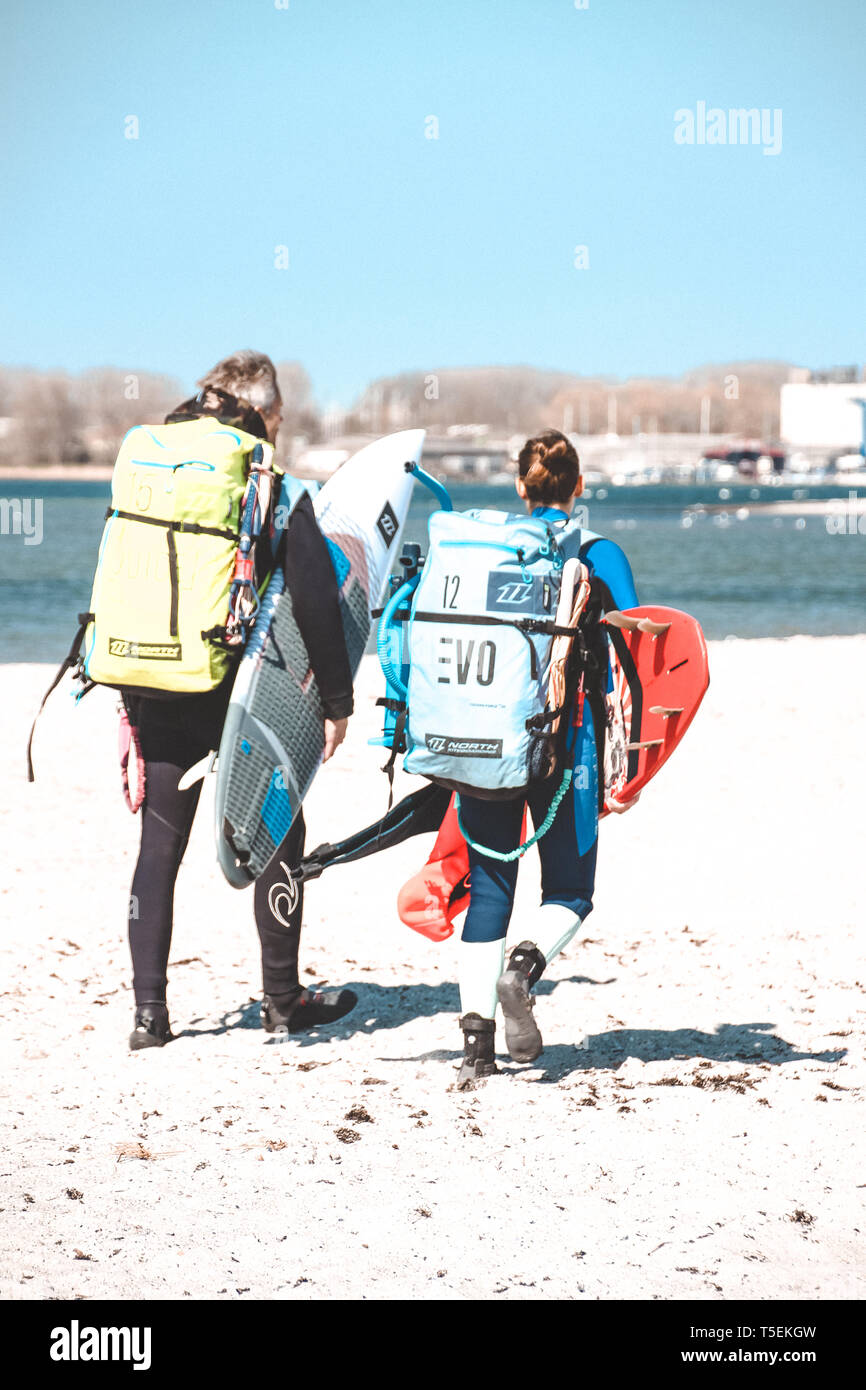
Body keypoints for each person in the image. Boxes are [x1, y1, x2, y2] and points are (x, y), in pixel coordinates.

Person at [125, 351, 357, 1050]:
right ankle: (283, 1000)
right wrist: (336, 702)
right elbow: (315, 597)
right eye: (280, 418)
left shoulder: (154, 467)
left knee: (160, 845)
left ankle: (149, 1015)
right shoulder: (268, 482)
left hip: (151, 676)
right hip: (232, 687)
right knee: (279, 829)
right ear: (262, 412)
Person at [456, 429, 640, 1083]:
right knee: (568, 888)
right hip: (566, 745)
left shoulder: (489, 554)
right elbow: (636, 653)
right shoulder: (598, 552)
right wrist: (631, 758)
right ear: (579, 487)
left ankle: (477, 1047)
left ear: (519, 489)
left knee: (488, 889)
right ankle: (523, 969)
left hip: (483, 739)